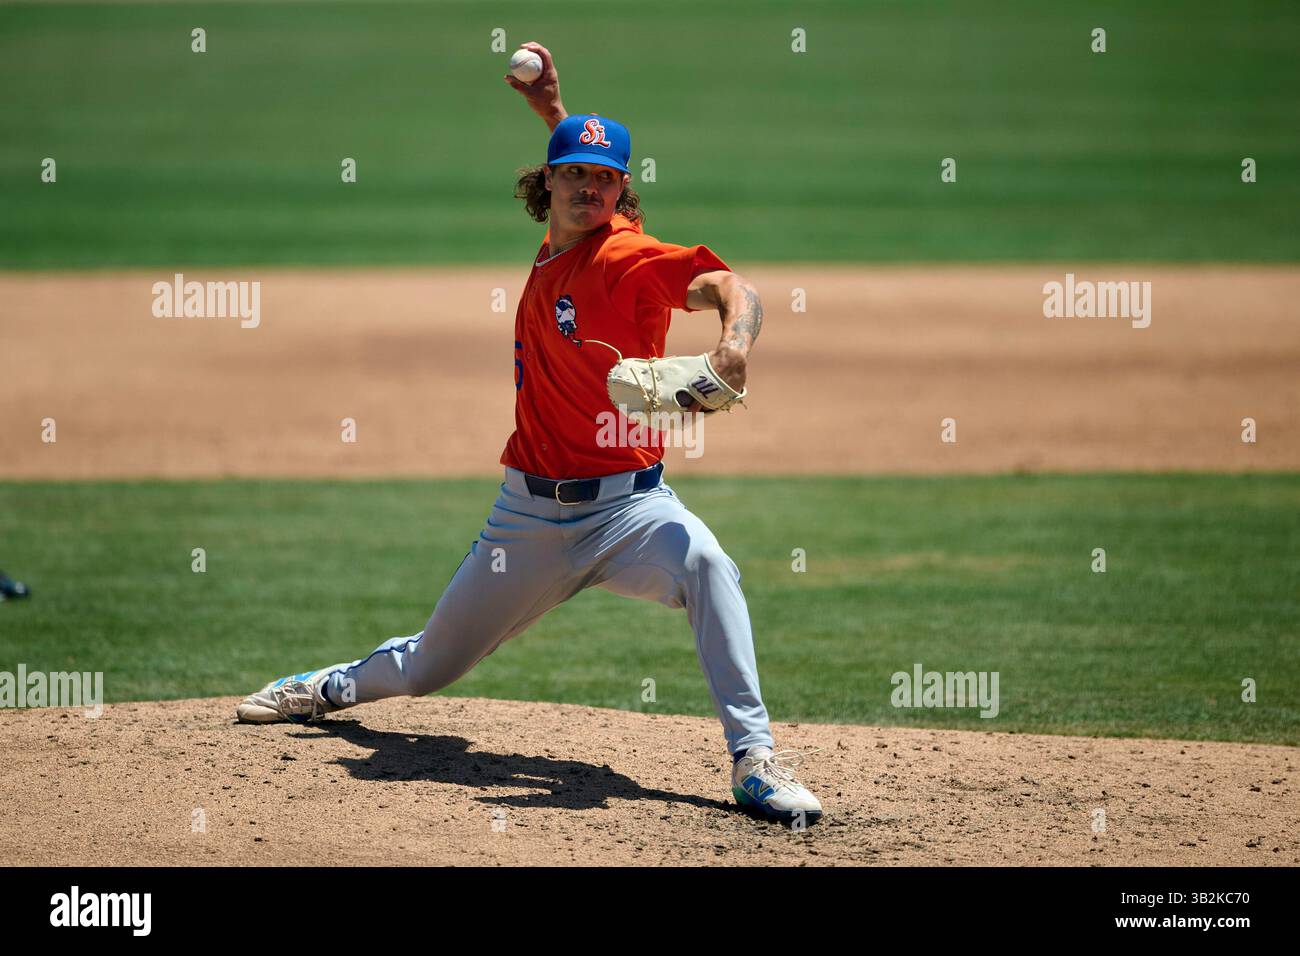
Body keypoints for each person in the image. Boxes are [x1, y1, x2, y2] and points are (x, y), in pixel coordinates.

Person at [236, 42, 822, 825]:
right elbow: (576, 162)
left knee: (708, 563)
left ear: (623, 192)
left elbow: (729, 285)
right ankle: (330, 688)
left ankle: (753, 760)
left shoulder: (627, 258)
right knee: (429, 667)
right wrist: (553, 109)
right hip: (528, 518)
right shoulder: (557, 245)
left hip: (630, 513)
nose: (588, 188)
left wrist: (734, 344)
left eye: (604, 178)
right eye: (574, 173)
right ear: (547, 182)